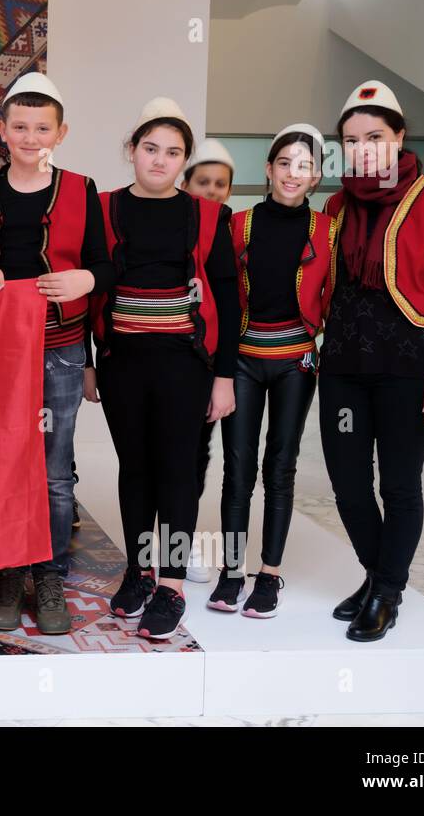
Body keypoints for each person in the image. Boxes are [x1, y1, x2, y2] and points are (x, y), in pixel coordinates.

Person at [0, 71, 114, 635]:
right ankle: (5, 570)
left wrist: (85, 280)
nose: (29, 137)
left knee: (52, 473)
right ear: (0, 129)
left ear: (60, 132)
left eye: (41, 127)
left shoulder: (81, 189)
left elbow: (106, 266)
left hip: (60, 348)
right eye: (19, 126)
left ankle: (47, 574)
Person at [318, 80, 424, 643]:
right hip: (342, 368)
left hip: (410, 367)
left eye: (375, 137)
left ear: (399, 137)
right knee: (348, 484)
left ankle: (387, 593)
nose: (364, 149)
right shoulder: (335, 205)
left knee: (400, 485)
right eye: (353, 140)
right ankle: (376, 575)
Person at [88, 96, 240, 640]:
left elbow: (226, 294)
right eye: (150, 148)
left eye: (172, 152)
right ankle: (138, 570)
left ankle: (171, 585)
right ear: (132, 151)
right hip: (122, 361)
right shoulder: (102, 208)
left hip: (185, 364)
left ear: (185, 161)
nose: (160, 160)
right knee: (135, 470)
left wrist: (224, 376)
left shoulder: (205, 215)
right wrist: (88, 361)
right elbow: (89, 288)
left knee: (177, 472)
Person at [209, 124, 330, 618]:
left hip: (296, 360)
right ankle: (231, 571)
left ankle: (270, 575)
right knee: (237, 468)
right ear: (268, 168)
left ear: (317, 175)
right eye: (285, 163)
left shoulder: (328, 230)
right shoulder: (238, 224)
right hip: (242, 357)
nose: (293, 173)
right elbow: (218, 293)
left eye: (304, 165)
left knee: (280, 466)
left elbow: (335, 295)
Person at [178, 137, 236, 582]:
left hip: (215, 357)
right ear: (185, 182)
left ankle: (185, 540)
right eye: (204, 182)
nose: (212, 190)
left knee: (198, 453)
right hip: (168, 353)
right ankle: (155, 544)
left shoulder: (234, 229)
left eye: (221, 184)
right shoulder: (173, 223)